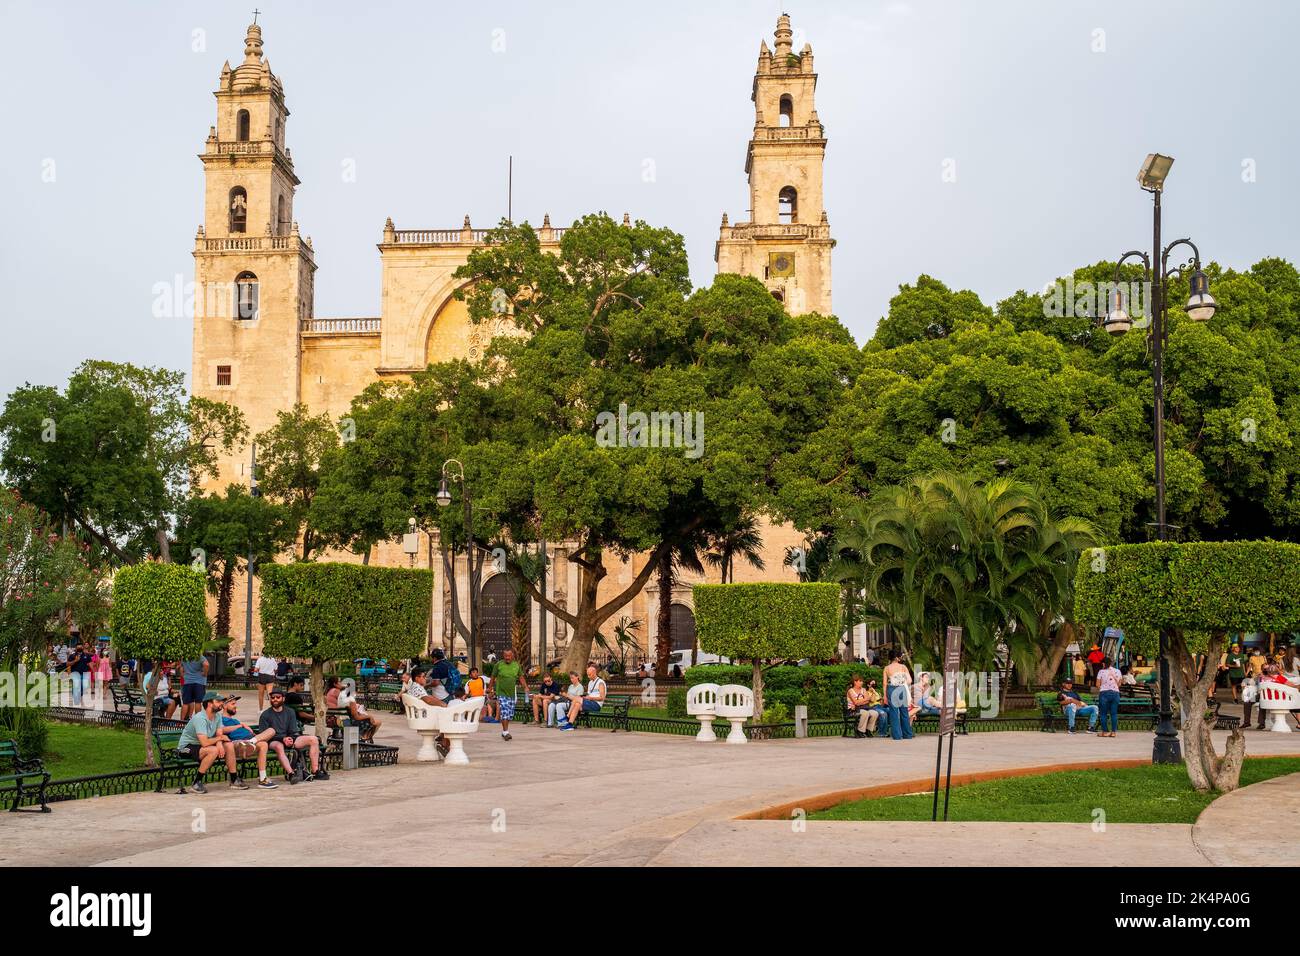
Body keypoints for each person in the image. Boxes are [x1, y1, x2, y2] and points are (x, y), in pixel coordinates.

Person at [178, 691, 248, 793]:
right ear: (210, 704)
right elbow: (205, 743)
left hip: (202, 746)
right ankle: (196, 783)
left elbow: (219, 734)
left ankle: (234, 779)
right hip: (186, 747)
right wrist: (219, 741)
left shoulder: (217, 716)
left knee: (228, 745)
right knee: (213, 750)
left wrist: (220, 743)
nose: (221, 703)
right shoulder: (200, 718)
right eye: (218, 701)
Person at [256, 688, 328, 782]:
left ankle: (315, 771)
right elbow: (264, 735)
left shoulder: (290, 712)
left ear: (283, 699)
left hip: (289, 738)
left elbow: (293, 731)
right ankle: (291, 774)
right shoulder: (265, 715)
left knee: (313, 739)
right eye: (272, 697)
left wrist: (290, 739)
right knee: (278, 746)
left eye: (278, 697)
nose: (275, 699)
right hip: (273, 740)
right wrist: (283, 739)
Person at [217, 694, 277, 789]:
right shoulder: (219, 719)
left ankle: (263, 778)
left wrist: (249, 733)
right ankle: (249, 743)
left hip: (250, 741)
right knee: (245, 744)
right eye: (232, 704)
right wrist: (240, 725)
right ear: (224, 706)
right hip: (236, 744)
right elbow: (221, 730)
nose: (235, 706)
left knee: (269, 735)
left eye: (235, 704)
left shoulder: (235, 720)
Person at [406, 667, 450, 755]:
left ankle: (442, 738)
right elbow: (428, 700)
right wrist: (443, 705)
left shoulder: (415, 687)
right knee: (449, 718)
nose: (425, 678)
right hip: (423, 717)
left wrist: (440, 703)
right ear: (417, 678)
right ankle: (443, 742)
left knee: (446, 715)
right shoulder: (416, 688)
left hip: (421, 715)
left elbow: (429, 698)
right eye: (423, 676)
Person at [492, 649, 525, 741]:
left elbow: (521, 677)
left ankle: (504, 732)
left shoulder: (516, 665)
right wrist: (490, 688)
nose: (507, 658)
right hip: (501, 692)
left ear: (512, 656)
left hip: (512, 694)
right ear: (503, 656)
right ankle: (506, 732)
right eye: (505, 656)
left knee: (510, 714)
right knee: (505, 712)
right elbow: (493, 677)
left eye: (509, 656)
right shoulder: (498, 665)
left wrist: (525, 687)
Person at [560, 663, 605, 730]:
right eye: (587, 675)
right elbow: (589, 694)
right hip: (590, 702)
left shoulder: (600, 683)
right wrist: (586, 697)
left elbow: (602, 698)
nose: (588, 676)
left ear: (594, 673)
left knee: (576, 699)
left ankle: (567, 716)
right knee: (577, 704)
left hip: (596, 704)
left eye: (589, 675)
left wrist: (590, 698)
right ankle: (570, 724)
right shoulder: (590, 683)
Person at [882, 651, 914, 740]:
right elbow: (910, 680)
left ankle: (897, 735)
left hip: (891, 689)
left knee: (894, 712)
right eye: (899, 657)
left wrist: (885, 696)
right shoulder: (903, 667)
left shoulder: (887, 668)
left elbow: (884, 684)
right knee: (904, 712)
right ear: (896, 658)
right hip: (901, 688)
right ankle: (907, 734)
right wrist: (902, 682)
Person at [1095, 656, 1122, 737]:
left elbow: (1097, 684)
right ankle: (1113, 732)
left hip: (1104, 694)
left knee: (1103, 713)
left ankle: (1105, 732)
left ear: (1103, 663)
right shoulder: (1117, 671)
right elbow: (1119, 684)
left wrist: (1103, 688)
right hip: (1115, 694)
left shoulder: (1101, 672)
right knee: (1114, 713)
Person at [180, 654, 210, 720]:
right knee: (198, 702)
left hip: (187, 682)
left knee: (185, 703)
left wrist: (184, 676)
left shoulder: (184, 656)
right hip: (199, 682)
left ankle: (181, 722)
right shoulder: (199, 656)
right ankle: (197, 720)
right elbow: (206, 664)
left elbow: (181, 668)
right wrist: (205, 673)